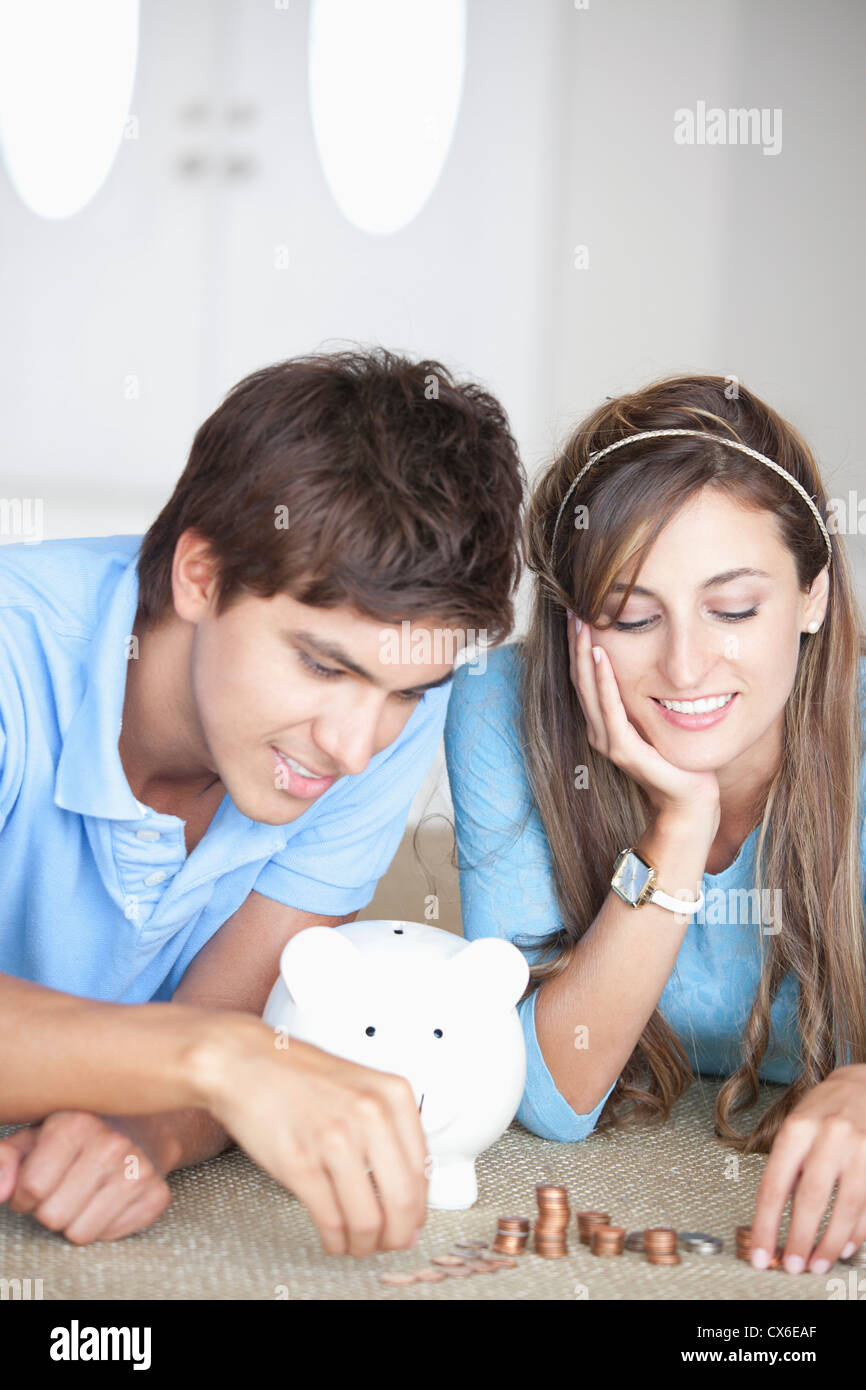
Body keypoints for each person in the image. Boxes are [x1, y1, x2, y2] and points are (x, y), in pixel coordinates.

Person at [0, 347, 524, 1255]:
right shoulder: (13, 663)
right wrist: (217, 1066)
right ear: (200, 575)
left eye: (405, 692)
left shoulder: (389, 710)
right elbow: (225, 1049)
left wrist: (147, 1133)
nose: (356, 750)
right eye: (323, 664)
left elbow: (235, 1012)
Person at [444, 373, 866, 1277]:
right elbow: (553, 1093)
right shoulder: (499, 708)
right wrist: (680, 826)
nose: (684, 664)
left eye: (734, 609)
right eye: (632, 616)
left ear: (815, 598)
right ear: (570, 625)